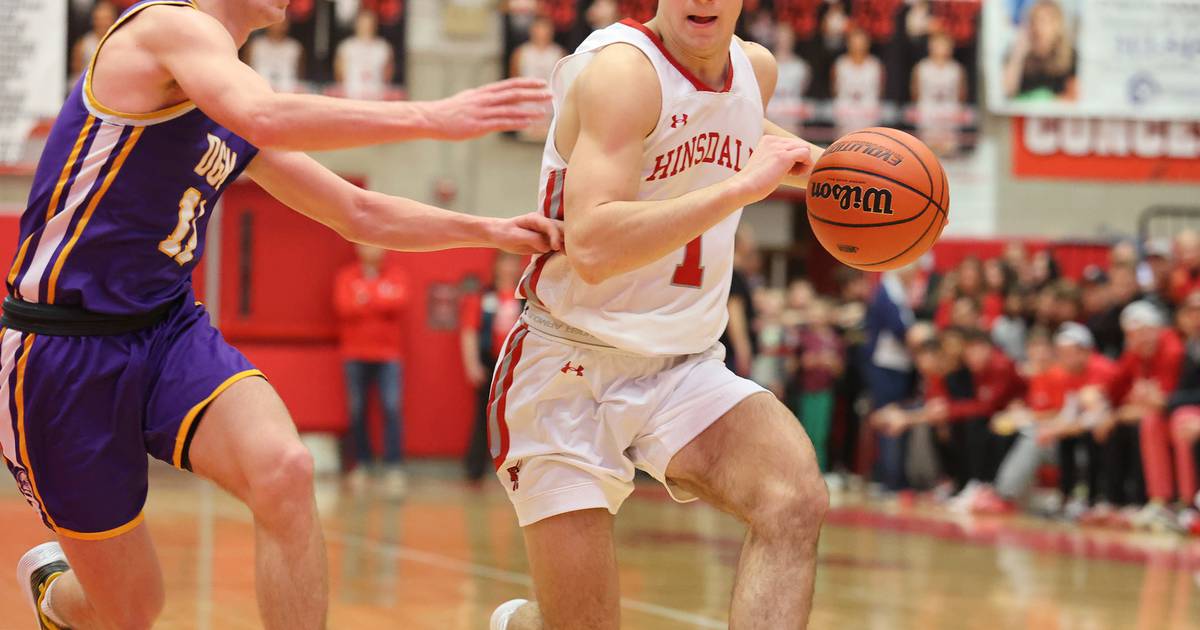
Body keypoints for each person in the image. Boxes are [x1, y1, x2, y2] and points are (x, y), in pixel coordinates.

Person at [7, 1, 560, 628]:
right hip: (63, 346)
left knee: (286, 472)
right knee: (131, 610)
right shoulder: (167, 27)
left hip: (166, 329)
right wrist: (432, 116)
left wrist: (489, 229)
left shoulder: (232, 97)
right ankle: (57, 595)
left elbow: (359, 213)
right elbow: (265, 111)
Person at [485, 2, 827, 628]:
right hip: (569, 366)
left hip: (683, 365)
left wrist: (850, 177)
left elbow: (739, 132)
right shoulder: (623, 73)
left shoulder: (755, 73)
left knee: (794, 496)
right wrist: (741, 187)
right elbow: (590, 247)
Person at [334, 244, 410, 493]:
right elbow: (344, 307)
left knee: (391, 407)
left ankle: (393, 467)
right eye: (366, 243)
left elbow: (399, 302)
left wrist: (366, 298)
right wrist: (379, 299)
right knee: (357, 410)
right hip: (354, 354)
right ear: (357, 247)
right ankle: (362, 465)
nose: (372, 249)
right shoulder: (346, 276)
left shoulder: (397, 275)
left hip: (389, 355)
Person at [1104, 301, 1184, 530]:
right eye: (1132, 336)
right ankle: (1116, 502)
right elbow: (1113, 389)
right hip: (1155, 414)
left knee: (1144, 424)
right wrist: (1112, 409)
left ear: (1157, 329)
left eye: (1143, 333)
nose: (1139, 340)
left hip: (1174, 414)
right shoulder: (1135, 352)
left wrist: (1124, 411)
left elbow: (1160, 402)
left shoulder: (1172, 350)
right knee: (1110, 426)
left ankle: (1152, 500)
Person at [461, 252, 526, 482]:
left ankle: (518, 471)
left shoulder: (526, 299)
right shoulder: (484, 296)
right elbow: (469, 331)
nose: (509, 268)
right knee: (484, 418)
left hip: (519, 366)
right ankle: (475, 470)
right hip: (490, 363)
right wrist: (472, 364)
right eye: (504, 262)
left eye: (513, 262)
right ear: (496, 266)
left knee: (520, 418)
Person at [1167, 291, 1200, 532]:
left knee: (1185, 420)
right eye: (1191, 311)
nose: (1195, 317)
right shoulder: (1188, 348)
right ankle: (1184, 502)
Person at [1002, 0, 1077, 101]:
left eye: (1045, 21)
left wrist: (1047, 101)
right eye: (1034, 20)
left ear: (1057, 24)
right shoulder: (1019, 53)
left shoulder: (1070, 54)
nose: (1039, 27)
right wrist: (1018, 55)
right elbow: (1007, 91)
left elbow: (1073, 96)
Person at [509, 16, 566, 142]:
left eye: (546, 28)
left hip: (550, 111)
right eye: (538, 27)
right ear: (532, 30)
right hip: (527, 110)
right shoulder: (521, 53)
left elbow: (562, 85)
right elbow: (514, 83)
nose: (542, 32)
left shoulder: (558, 53)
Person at [910, 31, 965, 155]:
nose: (941, 48)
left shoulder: (956, 69)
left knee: (948, 150)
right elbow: (915, 92)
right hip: (927, 116)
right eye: (938, 44)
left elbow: (961, 94)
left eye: (944, 45)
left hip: (949, 118)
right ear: (931, 46)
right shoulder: (922, 67)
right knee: (926, 152)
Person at [831, 27, 883, 138]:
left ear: (867, 44)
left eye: (861, 43)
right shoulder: (840, 64)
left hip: (868, 115)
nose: (858, 46)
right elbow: (834, 89)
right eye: (854, 43)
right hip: (844, 116)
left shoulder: (875, 65)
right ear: (848, 44)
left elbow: (879, 90)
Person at [334, 10, 394, 99]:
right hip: (351, 96)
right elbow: (339, 73)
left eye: (369, 23)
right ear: (356, 24)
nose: (366, 26)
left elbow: (388, 74)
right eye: (363, 23)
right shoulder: (347, 46)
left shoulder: (383, 47)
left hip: (376, 97)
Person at [247, 18, 304, 93]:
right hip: (258, 92)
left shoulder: (295, 47)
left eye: (283, 22)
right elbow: (246, 70)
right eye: (276, 21)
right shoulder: (255, 45)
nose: (279, 25)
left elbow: (299, 75)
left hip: (287, 93)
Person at [70, 1, 118, 84]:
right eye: (99, 19)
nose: (103, 23)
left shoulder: (119, 42)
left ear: (113, 19)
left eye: (106, 19)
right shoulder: (83, 44)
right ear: (93, 20)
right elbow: (76, 73)